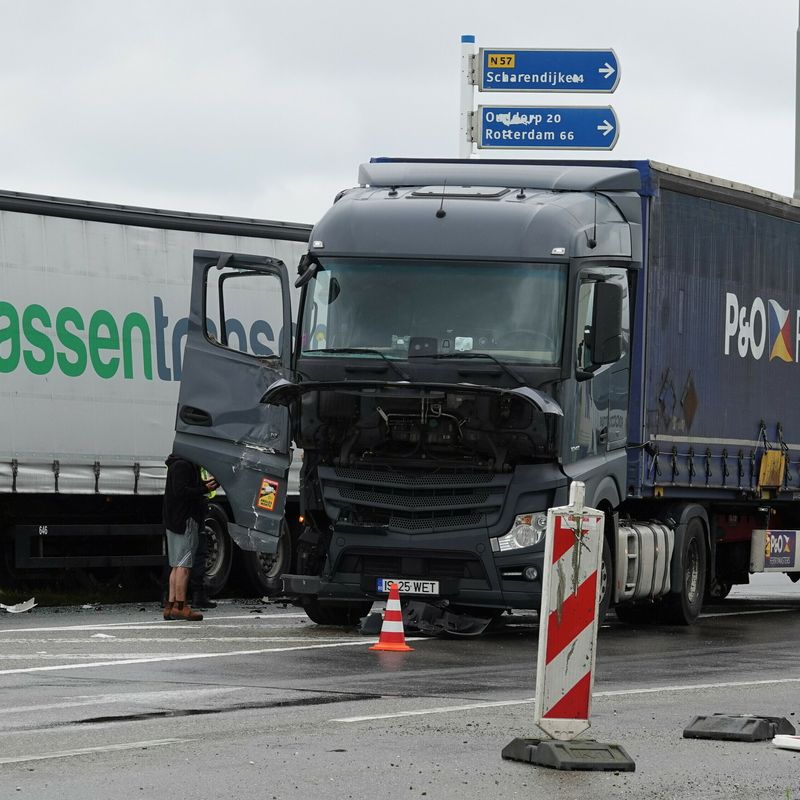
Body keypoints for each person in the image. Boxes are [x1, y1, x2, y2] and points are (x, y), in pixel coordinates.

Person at [162, 454, 218, 621]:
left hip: (173, 521)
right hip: (186, 520)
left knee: (175, 565)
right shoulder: (184, 465)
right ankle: (181, 606)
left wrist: (201, 485)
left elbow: (180, 489)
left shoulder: (174, 464)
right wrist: (204, 489)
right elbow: (182, 492)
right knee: (184, 567)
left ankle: (170, 606)